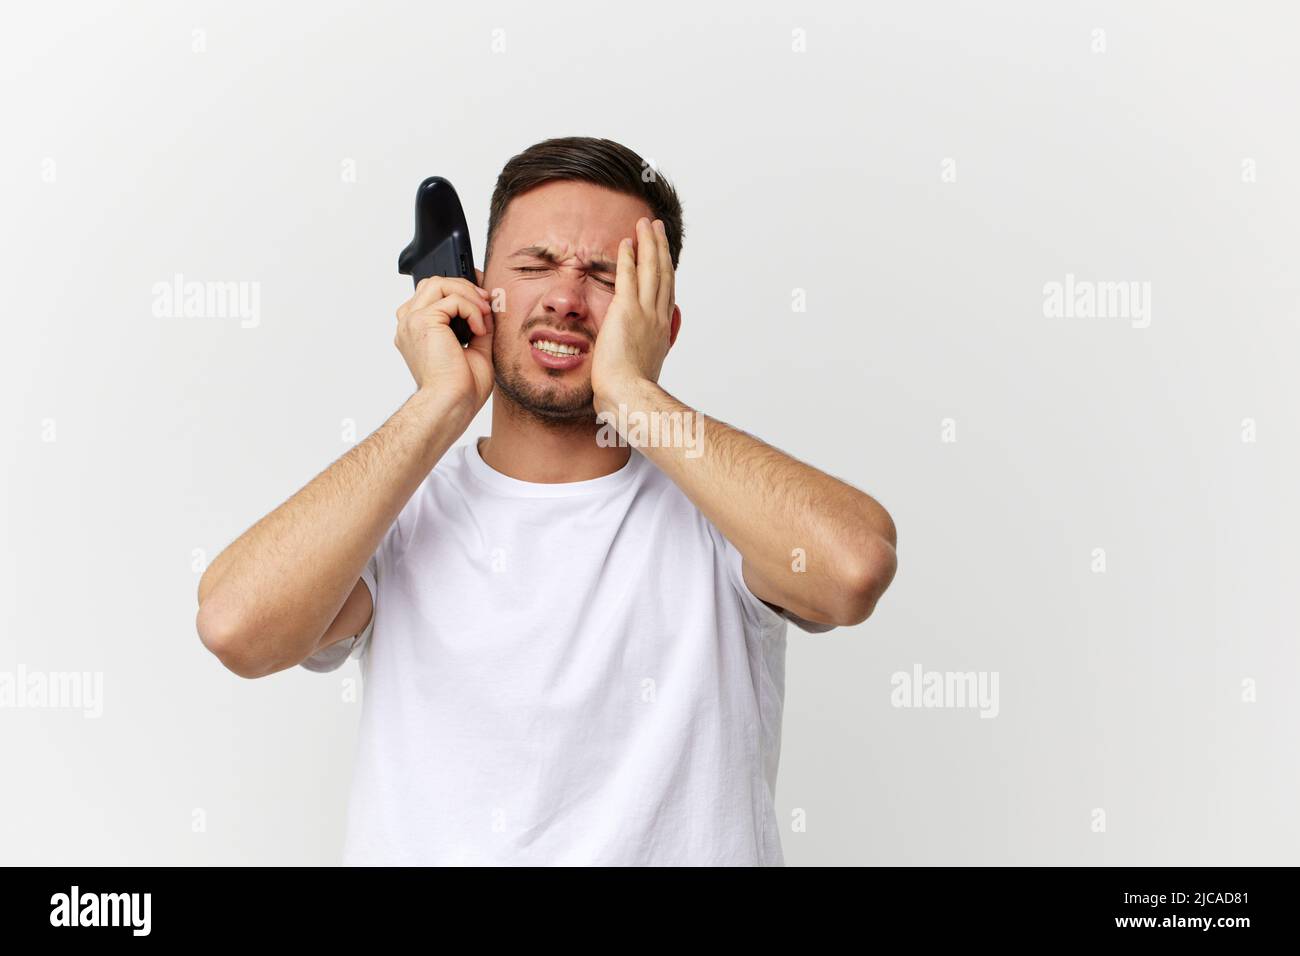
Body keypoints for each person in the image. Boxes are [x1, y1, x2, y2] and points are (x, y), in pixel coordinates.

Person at [195, 136, 898, 865]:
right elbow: (234, 625)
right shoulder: (399, 513)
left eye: (604, 277)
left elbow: (854, 568)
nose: (564, 298)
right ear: (472, 293)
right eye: (534, 266)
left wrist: (632, 393)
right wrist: (440, 402)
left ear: (660, 322)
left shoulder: (724, 514)